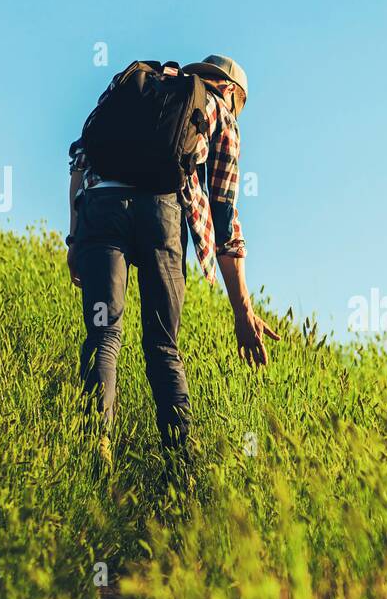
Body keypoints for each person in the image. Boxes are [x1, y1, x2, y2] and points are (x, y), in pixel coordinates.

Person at [65, 54, 278, 468]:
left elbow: (81, 158)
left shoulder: (135, 85)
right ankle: (182, 463)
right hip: (162, 215)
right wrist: (243, 310)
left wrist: (77, 237)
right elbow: (224, 214)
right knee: (163, 345)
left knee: (104, 333)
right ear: (231, 91)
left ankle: (96, 448)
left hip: (102, 207)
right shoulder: (217, 111)